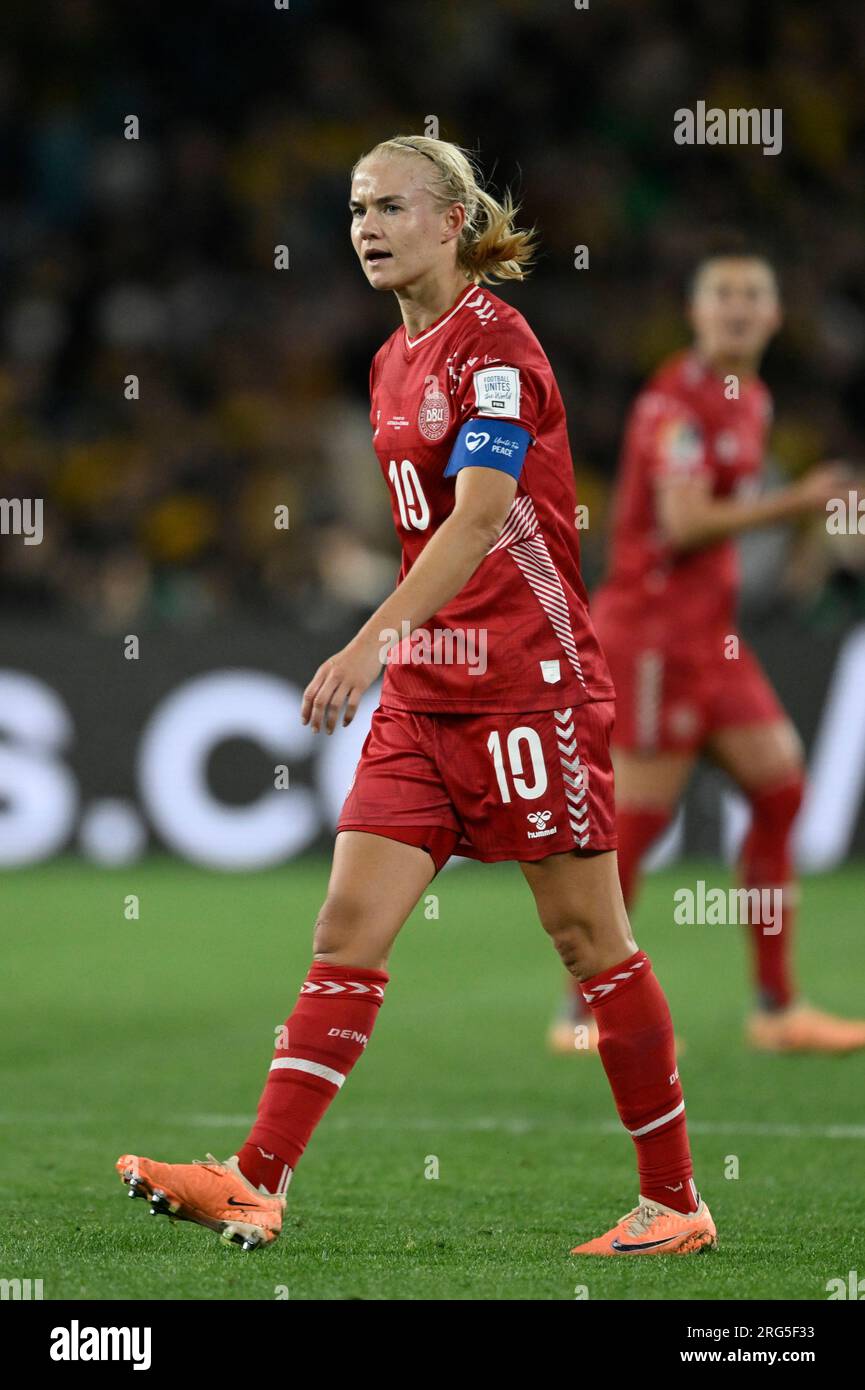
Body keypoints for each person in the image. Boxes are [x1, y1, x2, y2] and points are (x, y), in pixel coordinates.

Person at [117, 135, 715, 1257]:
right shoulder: (394, 359)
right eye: (353, 210)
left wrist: (365, 642)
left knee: (590, 939)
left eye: (390, 206)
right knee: (346, 929)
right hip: (428, 694)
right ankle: (254, 1179)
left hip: (527, 683)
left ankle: (674, 1200)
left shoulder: (498, 350)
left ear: (452, 221)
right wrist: (401, 649)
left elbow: (482, 516)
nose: (366, 227)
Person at [549, 243, 865, 1057]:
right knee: (635, 827)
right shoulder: (674, 408)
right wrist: (798, 502)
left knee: (779, 788)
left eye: (749, 294)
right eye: (719, 293)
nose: (734, 306)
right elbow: (683, 525)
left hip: (712, 641)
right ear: (694, 312)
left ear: (771, 315)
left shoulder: (750, 399)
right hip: (651, 636)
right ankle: (583, 1015)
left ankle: (776, 1006)